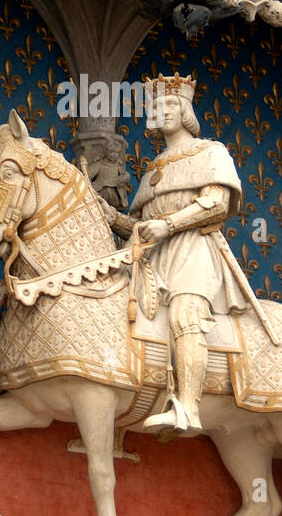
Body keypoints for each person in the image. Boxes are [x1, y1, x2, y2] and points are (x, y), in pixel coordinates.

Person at [102, 73, 248, 435]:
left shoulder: (210, 151)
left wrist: (170, 225)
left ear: (185, 110)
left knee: (186, 313)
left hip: (193, 250)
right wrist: (109, 216)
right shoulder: (154, 168)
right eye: (155, 106)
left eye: (169, 104)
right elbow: (138, 222)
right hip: (152, 258)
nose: (162, 111)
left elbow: (217, 203)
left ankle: (188, 409)